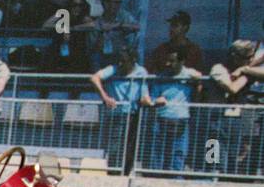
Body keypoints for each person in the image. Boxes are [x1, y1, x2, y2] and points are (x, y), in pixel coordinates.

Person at [141, 47, 203, 175]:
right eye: (167, 60)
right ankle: (155, 179)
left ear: (182, 61)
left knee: (179, 152)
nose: (167, 64)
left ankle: (176, 180)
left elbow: (198, 91)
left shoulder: (190, 75)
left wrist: (198, 82)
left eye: (172, 61)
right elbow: (152, 97)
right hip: (162, 119)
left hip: (181, 120)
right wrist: (156, 101)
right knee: (158, 152)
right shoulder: (161, 77)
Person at [207, 40, 260, 176]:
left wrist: (245, 69)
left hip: (235, 120)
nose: (251, 61)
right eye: (247, 58)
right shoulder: (218, 68)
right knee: (213, 158)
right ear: (235, 57)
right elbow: (232, 88)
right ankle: (210, 181)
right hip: (216, 120)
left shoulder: (245, 70)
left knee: (232, 161)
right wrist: (247, 75)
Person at [90, 47, 147, 172]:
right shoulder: (114, 69)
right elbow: (94, 78)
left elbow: (144, 93)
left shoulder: (141, 72)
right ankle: (113, 173)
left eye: (124, 61)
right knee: (115, 147)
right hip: (116, 114)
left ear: (132, 60)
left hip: (133, 114)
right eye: (119, 61)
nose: (120, 64)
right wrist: (105, 97)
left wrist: (146, 99)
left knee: (130, 147)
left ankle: (125, 173)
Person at [85, 0, 139, 71]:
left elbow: (137, 27)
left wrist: (117, 25)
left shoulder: (124, 16)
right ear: (105, 3)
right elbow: (93, 50)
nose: (118, 6)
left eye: (120, 3)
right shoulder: (97, 24)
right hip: (105, 60)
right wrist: (102, 33)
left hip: (123, 59)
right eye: (116, 2)